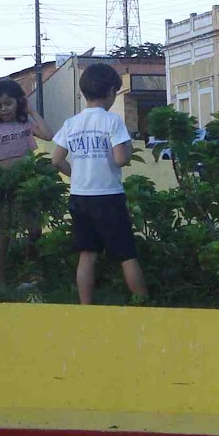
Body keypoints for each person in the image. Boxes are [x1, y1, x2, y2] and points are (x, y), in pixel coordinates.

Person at [52, 63, 149, 305]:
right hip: (108, 196)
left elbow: (56, 159)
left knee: (87, 255)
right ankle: (143, 303)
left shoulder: (71, 124)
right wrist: (126, 149)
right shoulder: (112, 122)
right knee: (126, 254)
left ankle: (86, 307)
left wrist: (75, 175)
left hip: (80, 196)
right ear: (109, 92)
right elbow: (121, 159)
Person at [0, 79, 54, 290]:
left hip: (27, 185)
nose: (4, 109)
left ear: (18, 102)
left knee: (35, 231)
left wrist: (32, 111)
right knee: (4, 234)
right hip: (5, 189)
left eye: (8, 103)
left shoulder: (25, 125)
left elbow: (48, 135)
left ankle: (32, 276)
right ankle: (0, 283)